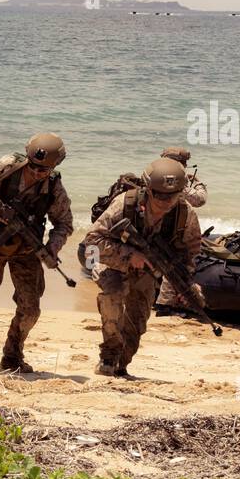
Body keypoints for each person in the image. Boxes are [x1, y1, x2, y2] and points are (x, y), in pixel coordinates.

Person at [0, 133, 72, 371]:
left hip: (27, 249)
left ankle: (12, 353)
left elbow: (64, 224)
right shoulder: (6, 167)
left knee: (31, 308)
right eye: (34, 166)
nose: (38, 173)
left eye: (44, 170)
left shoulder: (54, 186)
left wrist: (52, 246)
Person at [84, 157, 203, 377]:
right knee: (113, 296)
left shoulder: (185, 215)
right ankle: (109, 356)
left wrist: (186, 285)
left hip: (147, 272)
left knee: (137, 323)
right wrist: (130, 255)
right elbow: (91, 242)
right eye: (159, 195)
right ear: (148, 190)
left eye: (172, 196)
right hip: (113, 264)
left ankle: (120, 365)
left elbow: (191, 252)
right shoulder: (125, 204)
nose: (165, 201)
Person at [154, 147, 206, 313]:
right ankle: (165, 304)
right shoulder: (168, 178)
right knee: (178, 260)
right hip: (165, 226)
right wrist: (192, 184)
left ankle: (164, 300)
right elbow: (198, 199)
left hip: (165, 225)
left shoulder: (157, 176)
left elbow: (198, 200)